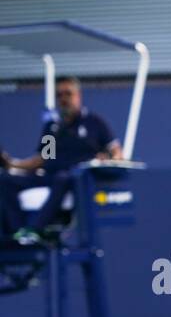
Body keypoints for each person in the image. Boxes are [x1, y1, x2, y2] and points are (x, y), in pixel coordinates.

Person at [0, 75, 122, 245]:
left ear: (78, 96)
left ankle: (35, 229)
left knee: (63, 177)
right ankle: (17, 233)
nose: (63, 99)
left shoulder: (94, 123)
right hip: (48, 176)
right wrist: (11, 164)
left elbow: (116, 152)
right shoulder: (52, 127)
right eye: (59, 95)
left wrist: (107, 158)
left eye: (68, 94)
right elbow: (43, 159)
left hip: (75, 179)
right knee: (5, 181)